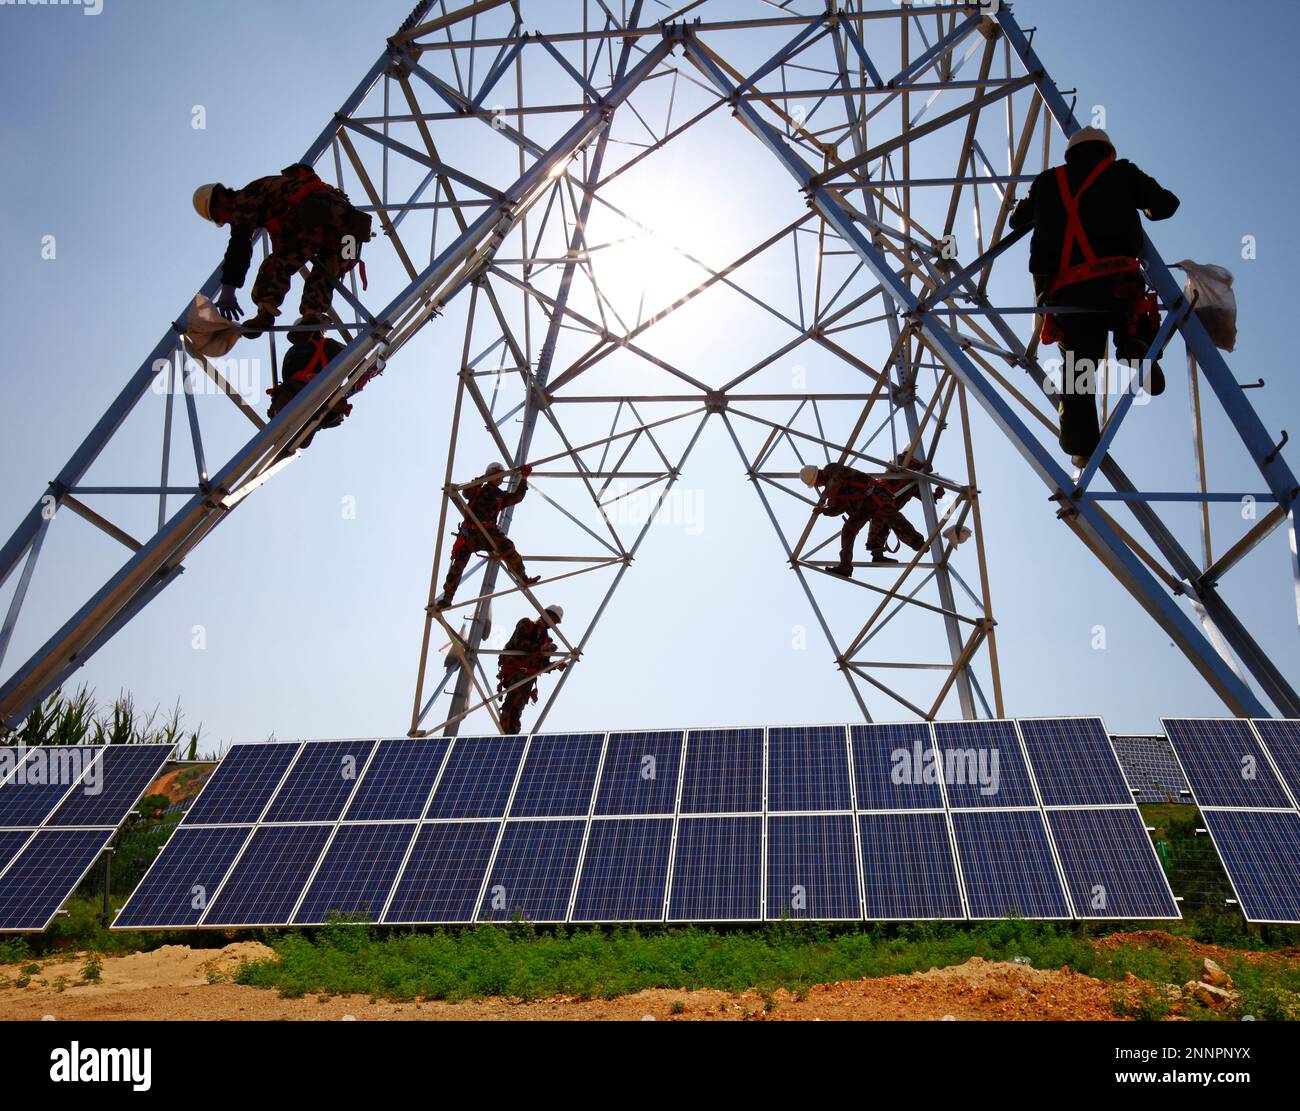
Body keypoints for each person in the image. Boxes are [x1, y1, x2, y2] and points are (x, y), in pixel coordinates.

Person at [1009, 127, 1179, 466]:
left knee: (1078, 369)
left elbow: (1017, 220)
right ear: (1107, 153)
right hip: (1117, 281)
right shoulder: (1121, 172)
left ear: (1069, 155)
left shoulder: (1046, 182)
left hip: (1067, 292)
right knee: (1135, 322)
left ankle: (1082, 445)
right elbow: (1164, 206)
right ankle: (1135, 348)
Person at [192, 163, 373, 339]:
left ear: (221, 200)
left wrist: (228, 289)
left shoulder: (244, 200)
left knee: (277, 264)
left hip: (315, 213)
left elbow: (239, 247)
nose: (227, 222)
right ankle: (312, 315)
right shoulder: (272, 187)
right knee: (327, 271)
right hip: (351, 229)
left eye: (218, 218)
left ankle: (266, 312)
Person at [436, 463, 539, 609]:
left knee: (508, 548)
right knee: (458, 566)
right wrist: (483, 479)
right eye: (497, 475)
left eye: (501, 476)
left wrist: (523, 479)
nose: (499, 479)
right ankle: (447, 598)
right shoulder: (477, 489)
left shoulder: (499, 496)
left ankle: (523, 577)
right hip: (470, 534)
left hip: (489, 533)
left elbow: (517, 497)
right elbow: (466, 492)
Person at [800, 461, 925, 577]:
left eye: (815, 483)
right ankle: (846, 566)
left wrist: (830, 496)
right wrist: (824, 511)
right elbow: (838, 508)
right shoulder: (830, 490)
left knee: (891, 517)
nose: (817, 486)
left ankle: (916, 541)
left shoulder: (830, 469)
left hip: (873, 495)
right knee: (848, 530)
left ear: (817, 478)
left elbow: (839, 476)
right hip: (861, 507)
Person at [866, 450, 945, 564]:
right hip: (880, 499)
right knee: (897, 522)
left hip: (886, 506)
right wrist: (923, 466)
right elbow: (902, 459)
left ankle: (877, 554)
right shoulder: (898, 466)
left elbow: (927, 497)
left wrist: (937, 494)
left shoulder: (913, 483)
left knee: (882, 526)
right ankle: (916, 541)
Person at [497, 605, 566, 735]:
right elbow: (519, 643)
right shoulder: (526, 624)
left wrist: (556, 665)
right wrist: (541, 648)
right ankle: (506, 716)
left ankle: (511, 734)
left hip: (528, 676)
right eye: (554, 620)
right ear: (546, 614)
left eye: (556, 622)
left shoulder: (546, 639)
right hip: (515, 669)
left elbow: (543, 665)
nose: (554, 624)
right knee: (511, 704)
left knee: (517, 710)